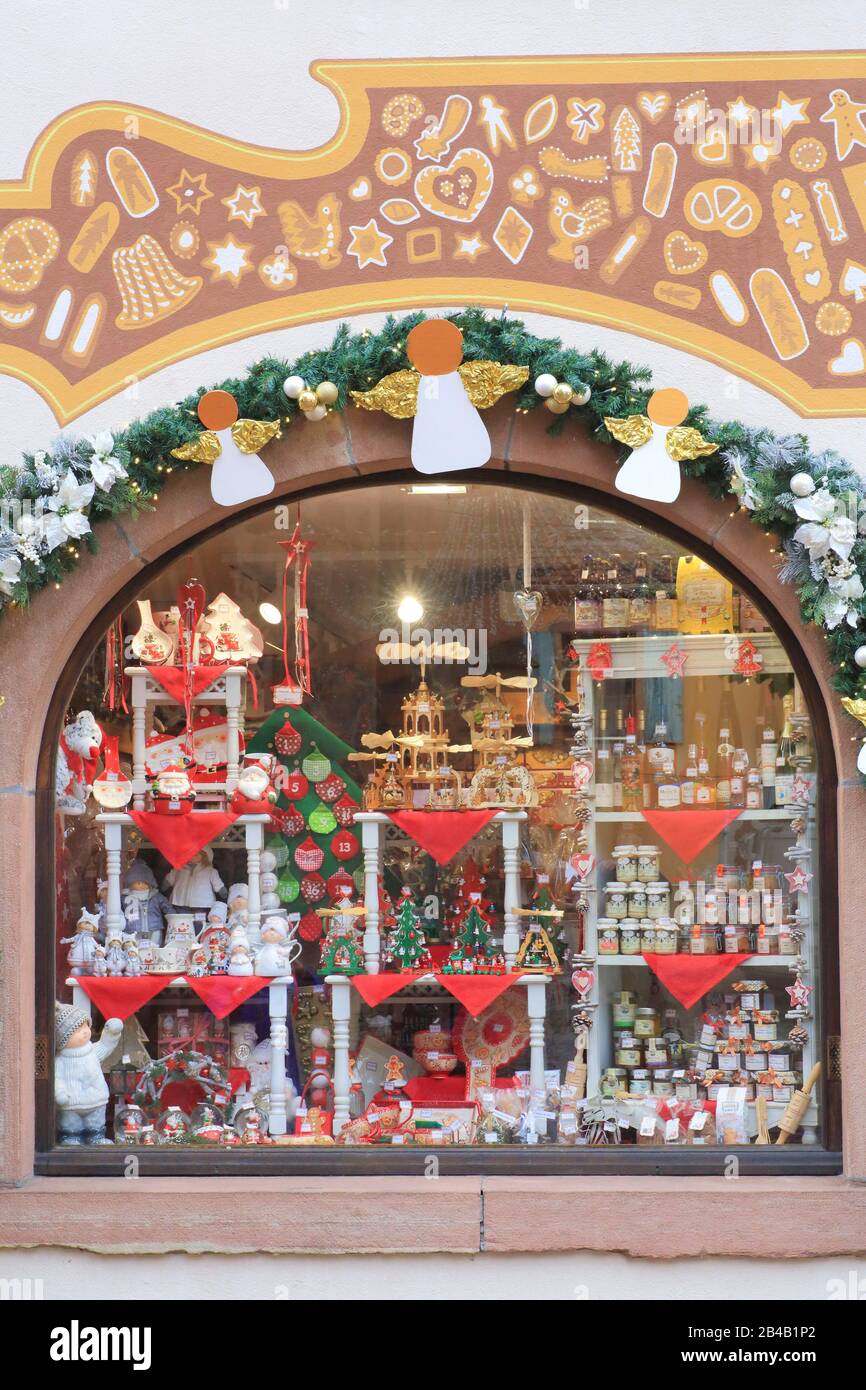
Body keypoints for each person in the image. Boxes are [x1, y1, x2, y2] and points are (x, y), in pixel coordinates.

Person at [54, 1003, 122, 1145]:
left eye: (86, 1026)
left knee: (96, 1123)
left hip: (96, 1100)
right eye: (77, 1030)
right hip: (71, 1104)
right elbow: (56, 1078)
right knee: (71, 1124)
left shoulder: (92, 1051)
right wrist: (59, 1092)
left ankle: (96, 1136)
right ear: (63, 1038)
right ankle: (70, 1137)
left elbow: (105, 1045)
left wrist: (112, 1032)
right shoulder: (60, 1060)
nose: (85, 1031)